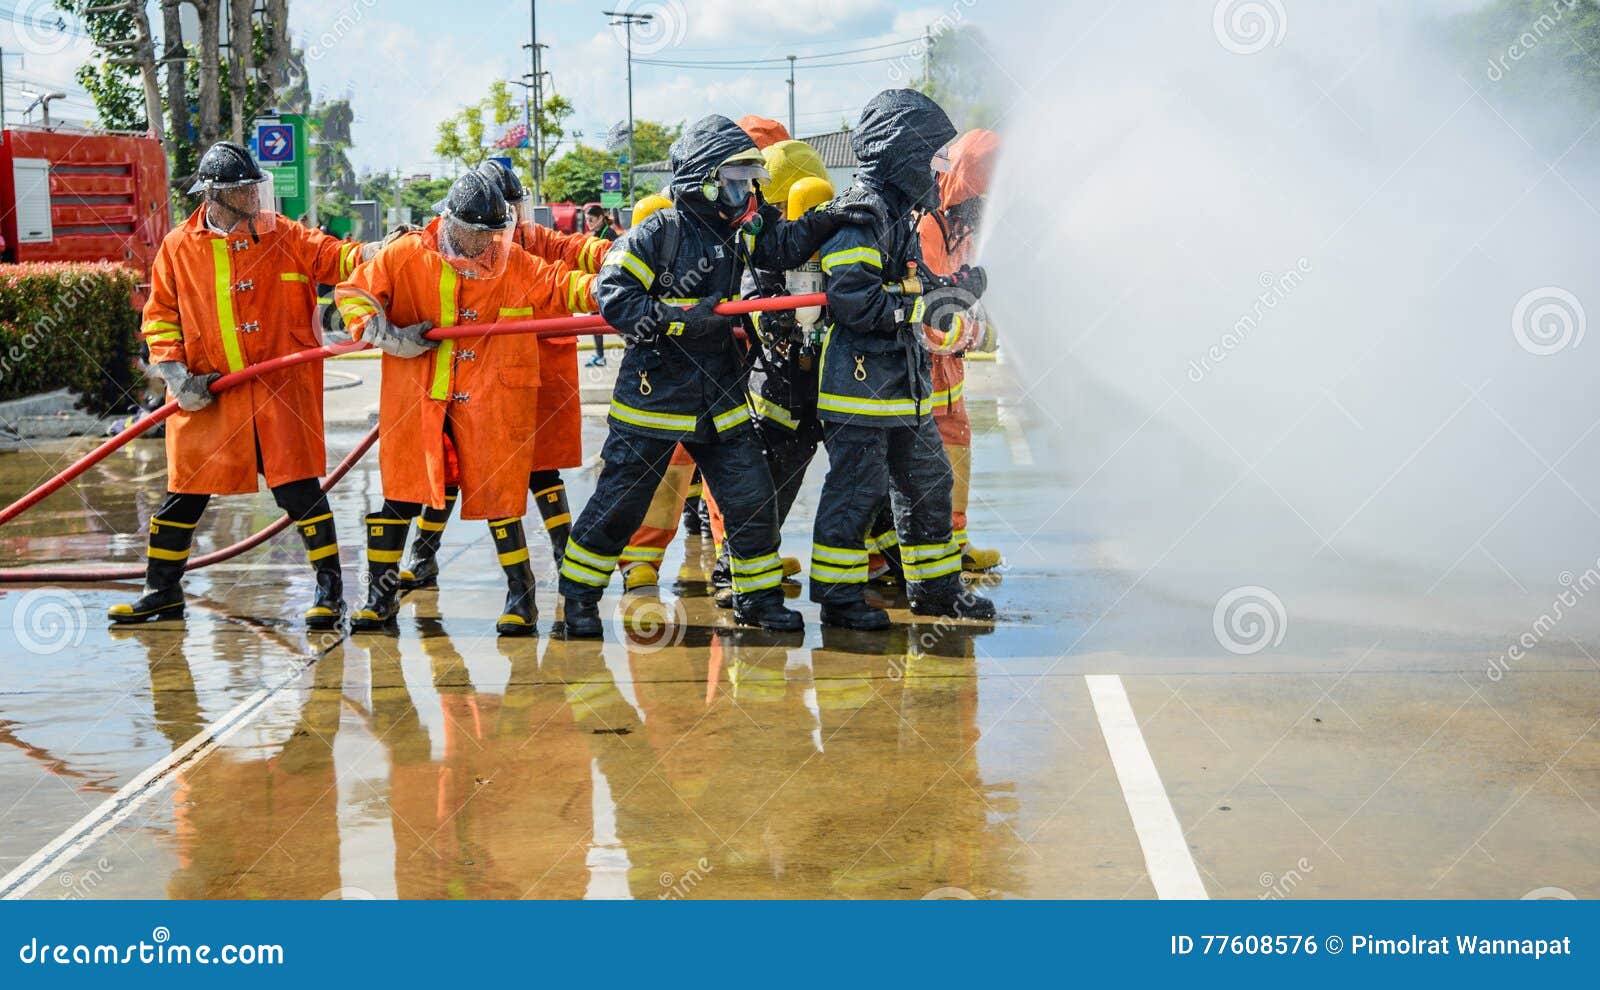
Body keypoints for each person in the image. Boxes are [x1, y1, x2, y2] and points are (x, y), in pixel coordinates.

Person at [556, 114, 865, 638]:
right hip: (654, 397)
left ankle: (759, 601)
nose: (747, 191)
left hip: (719, 394)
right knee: (619, 504)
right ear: (704, 180)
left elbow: (783, 245)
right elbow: (615, 296)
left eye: (750, 179)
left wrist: (832, 213)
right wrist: (681, 318)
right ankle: (579, 603)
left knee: (751, 500)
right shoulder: (660, 232)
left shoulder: (741, 229)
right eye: (737, 179)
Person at [109, 141, 370, 627]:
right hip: (208, 395)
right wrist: (175, 375)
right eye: (243, 191)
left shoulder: (285, 236)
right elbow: (160, 317)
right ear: (213, 196)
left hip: (278, 393)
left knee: (299, 492)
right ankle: (160, 591)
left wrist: (386, 248)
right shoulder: (178, 248)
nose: (255, 198)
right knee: (183, 494)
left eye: (255, 188)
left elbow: (342, 258)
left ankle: (330, 593)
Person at [336, 169, 597, 636]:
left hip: (487, 402)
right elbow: (354, 295)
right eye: (475, 234)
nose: (483, 245)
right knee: (401, 496)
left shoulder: (510, 259)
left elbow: (560, 283)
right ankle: (379, 598)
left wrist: (604, 288)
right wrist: (387, 336)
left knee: (500, 498)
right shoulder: (405, 254)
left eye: (491, 235)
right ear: (450, 224)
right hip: (419, 402)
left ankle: (522, 596)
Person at [807, 89, 997, 629]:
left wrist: (955, 289)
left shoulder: (901, 216)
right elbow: (855, 301)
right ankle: (840, 600)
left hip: (904, 385)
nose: (940, 169)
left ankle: (937, 591)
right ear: (901, 154)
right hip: (860, 386)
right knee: (856, 493)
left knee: (929, 484)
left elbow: (914, 287)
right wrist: (926, 305)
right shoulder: (861, 218)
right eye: (934, 157)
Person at [394, 160, 613, 589]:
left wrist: (627, 258)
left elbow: (582, 253)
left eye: (514, 210)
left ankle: (563, 556)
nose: (508, 224)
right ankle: (425, 556)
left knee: (541, 469)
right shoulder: (455, 248)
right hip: (474, 379)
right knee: (452, 465)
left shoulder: (534, 242)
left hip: (537, 376)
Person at [918, 129, 1003, 573]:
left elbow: (966, 301)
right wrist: (973, 334)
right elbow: (927, 319)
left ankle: (955, 541)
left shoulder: (963, 231)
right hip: (919, 374)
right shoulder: (927, 228)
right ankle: (906, 555)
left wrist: (979, 325)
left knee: (956, 445)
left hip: (948, 378)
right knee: (915, 468)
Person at [583, 204, 618, 366]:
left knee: (607, 319)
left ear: (600, 218)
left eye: (591, 220)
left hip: (608, 283)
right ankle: (600, 355)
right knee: (599, 320)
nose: (588, 223)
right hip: (600, 282)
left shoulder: (609, 234)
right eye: (586, 220)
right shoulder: (597, 233)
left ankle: (636, 339)